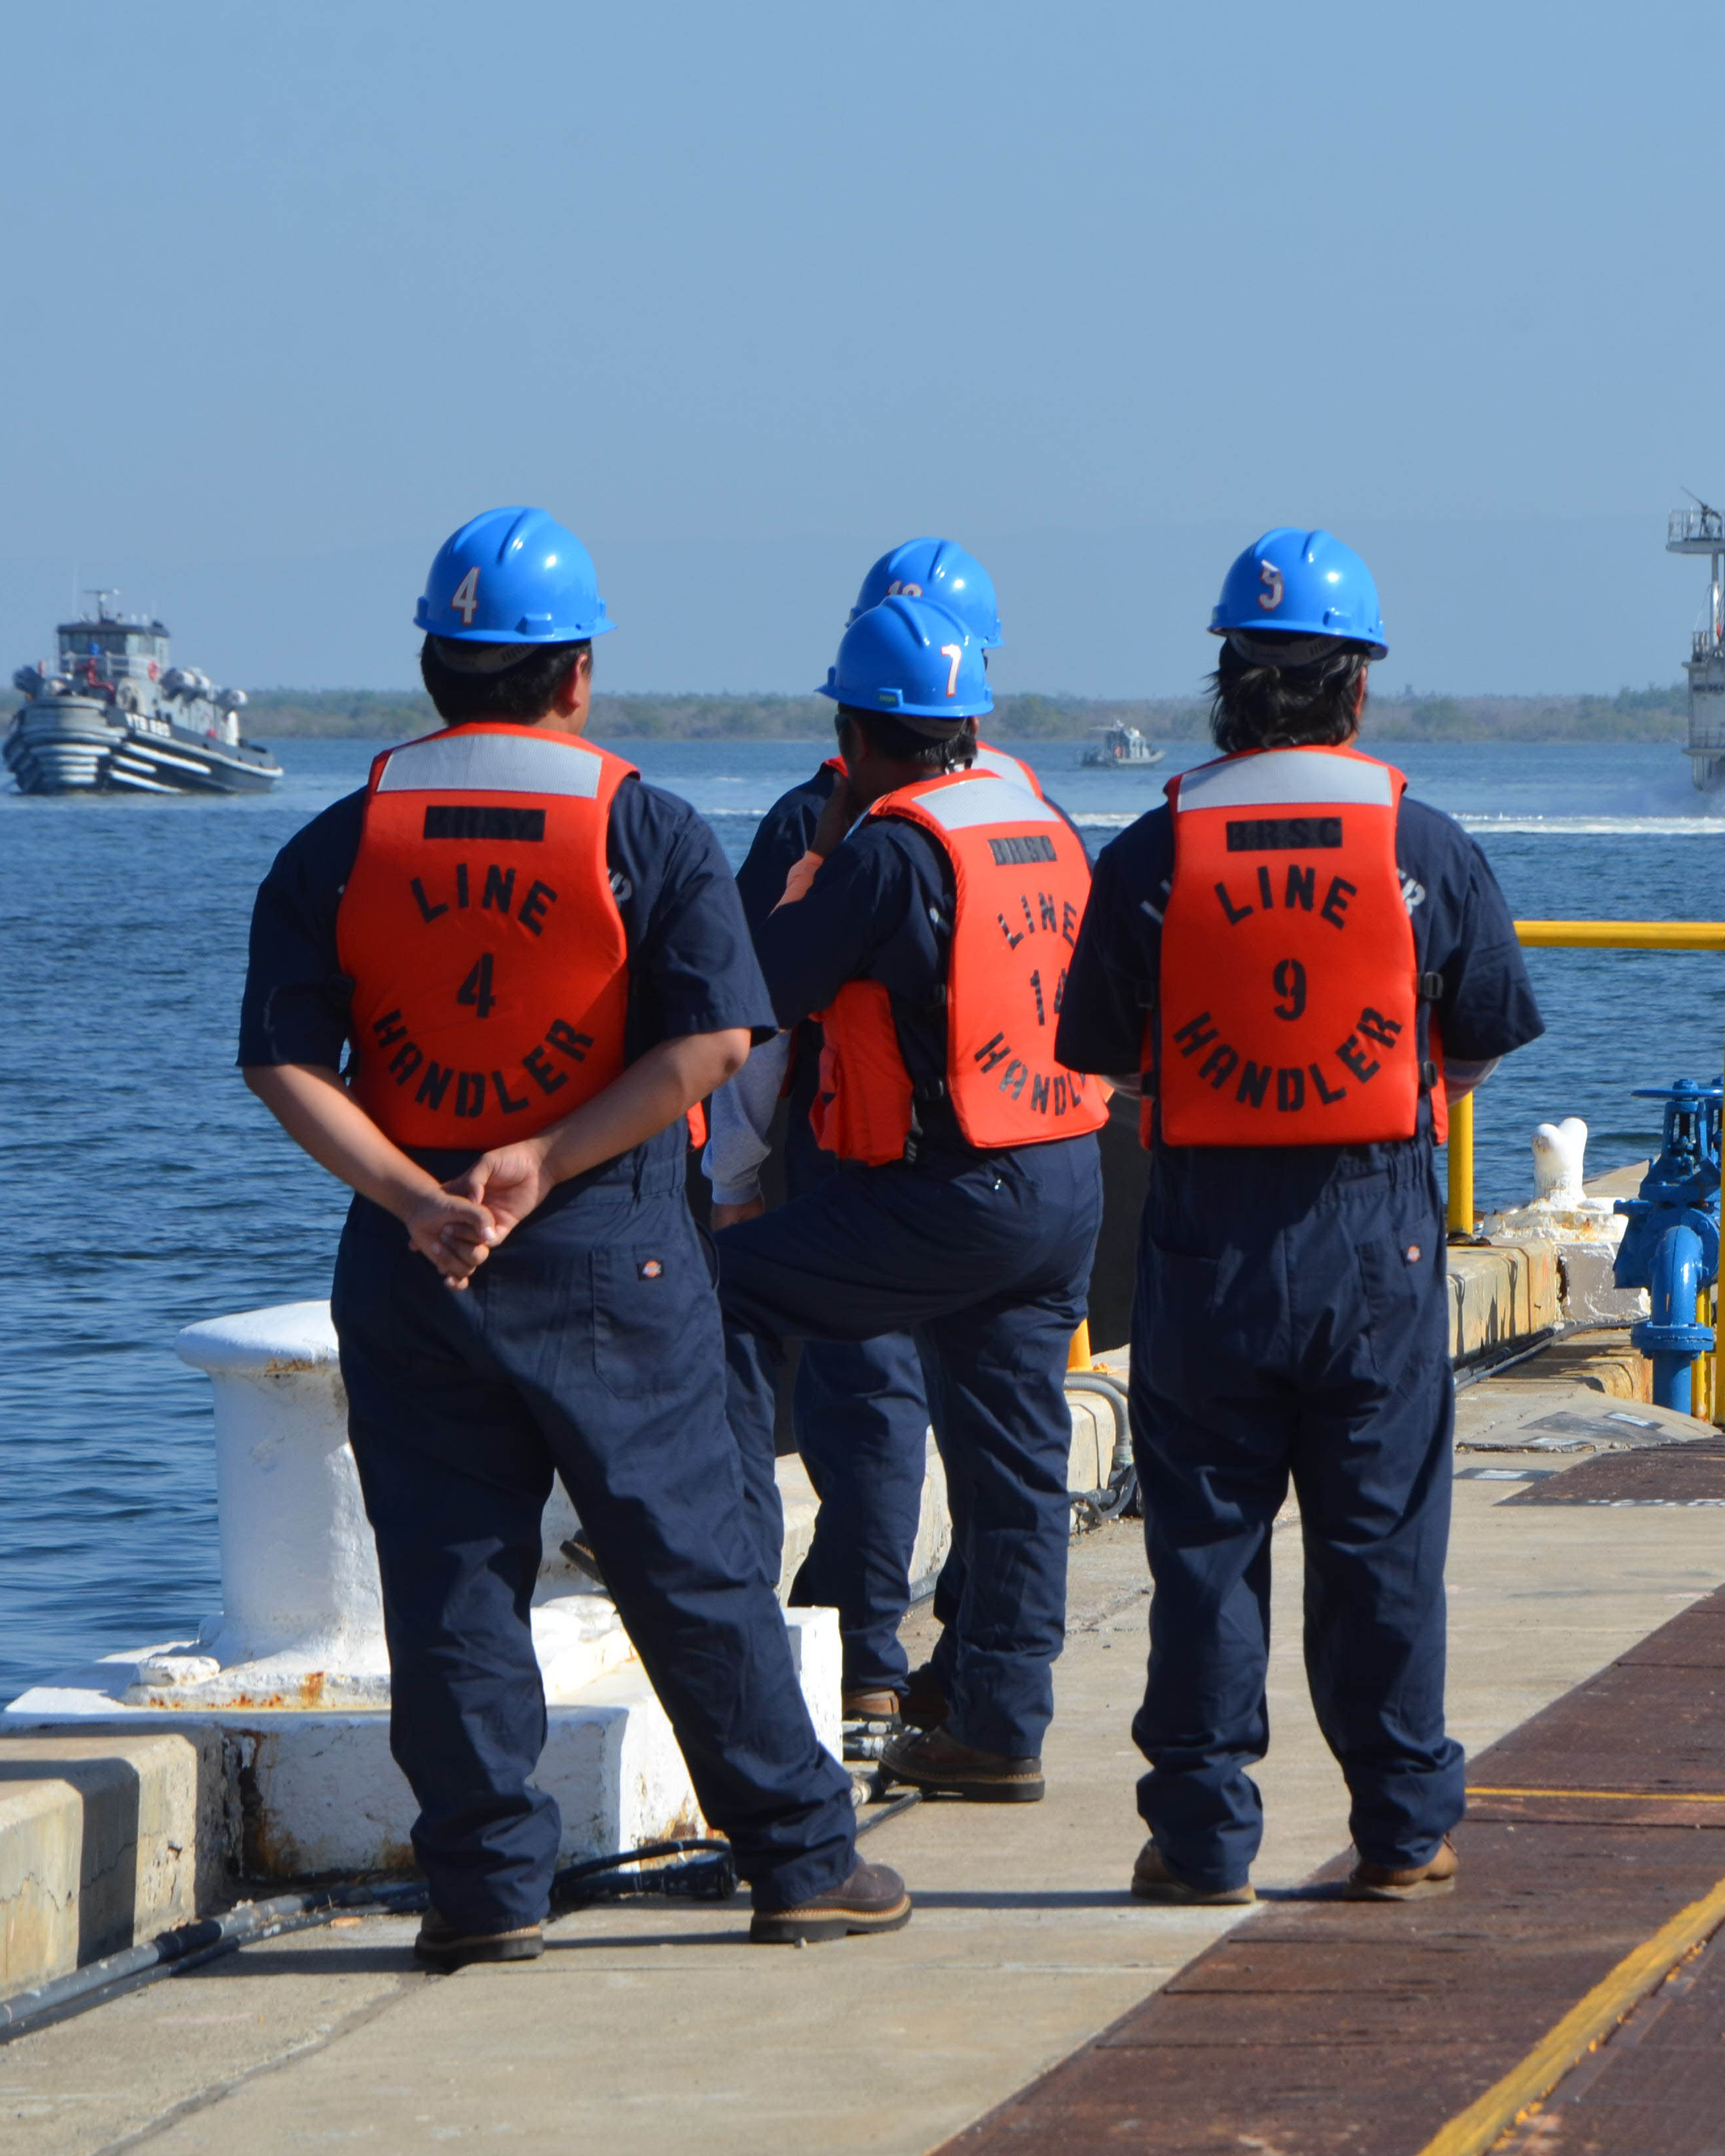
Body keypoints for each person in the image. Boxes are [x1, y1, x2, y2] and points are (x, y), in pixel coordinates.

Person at [236, 507, 903, 1966]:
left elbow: (285, 1062)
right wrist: (540, 1155)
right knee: (691, 1559)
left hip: (415, 1262)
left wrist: (418, 1198)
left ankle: (483, 1897)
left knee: (450, 1570)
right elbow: (716, 1046)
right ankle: (798, 1859)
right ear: (576, 674)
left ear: (433, 667)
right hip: (611, 1245)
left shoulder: (342, 837)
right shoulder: (642, 827)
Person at [1054, 528, 1541, 1907]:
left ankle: (1202, 1841)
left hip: (1206, 1237)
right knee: (1381, 1541)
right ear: (1358, 692)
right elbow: (1485, 1030)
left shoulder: (1154, 850)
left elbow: (1097, 1046)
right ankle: (1401, 1830)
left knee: (1203, 1550)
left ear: (1226, 684)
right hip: (1373, 1230)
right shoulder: (1423, 845)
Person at [715, 592, 1107, 1809]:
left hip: (951, 1193)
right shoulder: (1033, 819)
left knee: (719, 1291)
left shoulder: (888, 846)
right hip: (1065, 1176)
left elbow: (764, 985)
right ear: (971, 721)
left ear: (856, 730)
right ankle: (996, 1714)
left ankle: (721, 1587)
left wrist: (825, 839)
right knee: (1015, 1460)